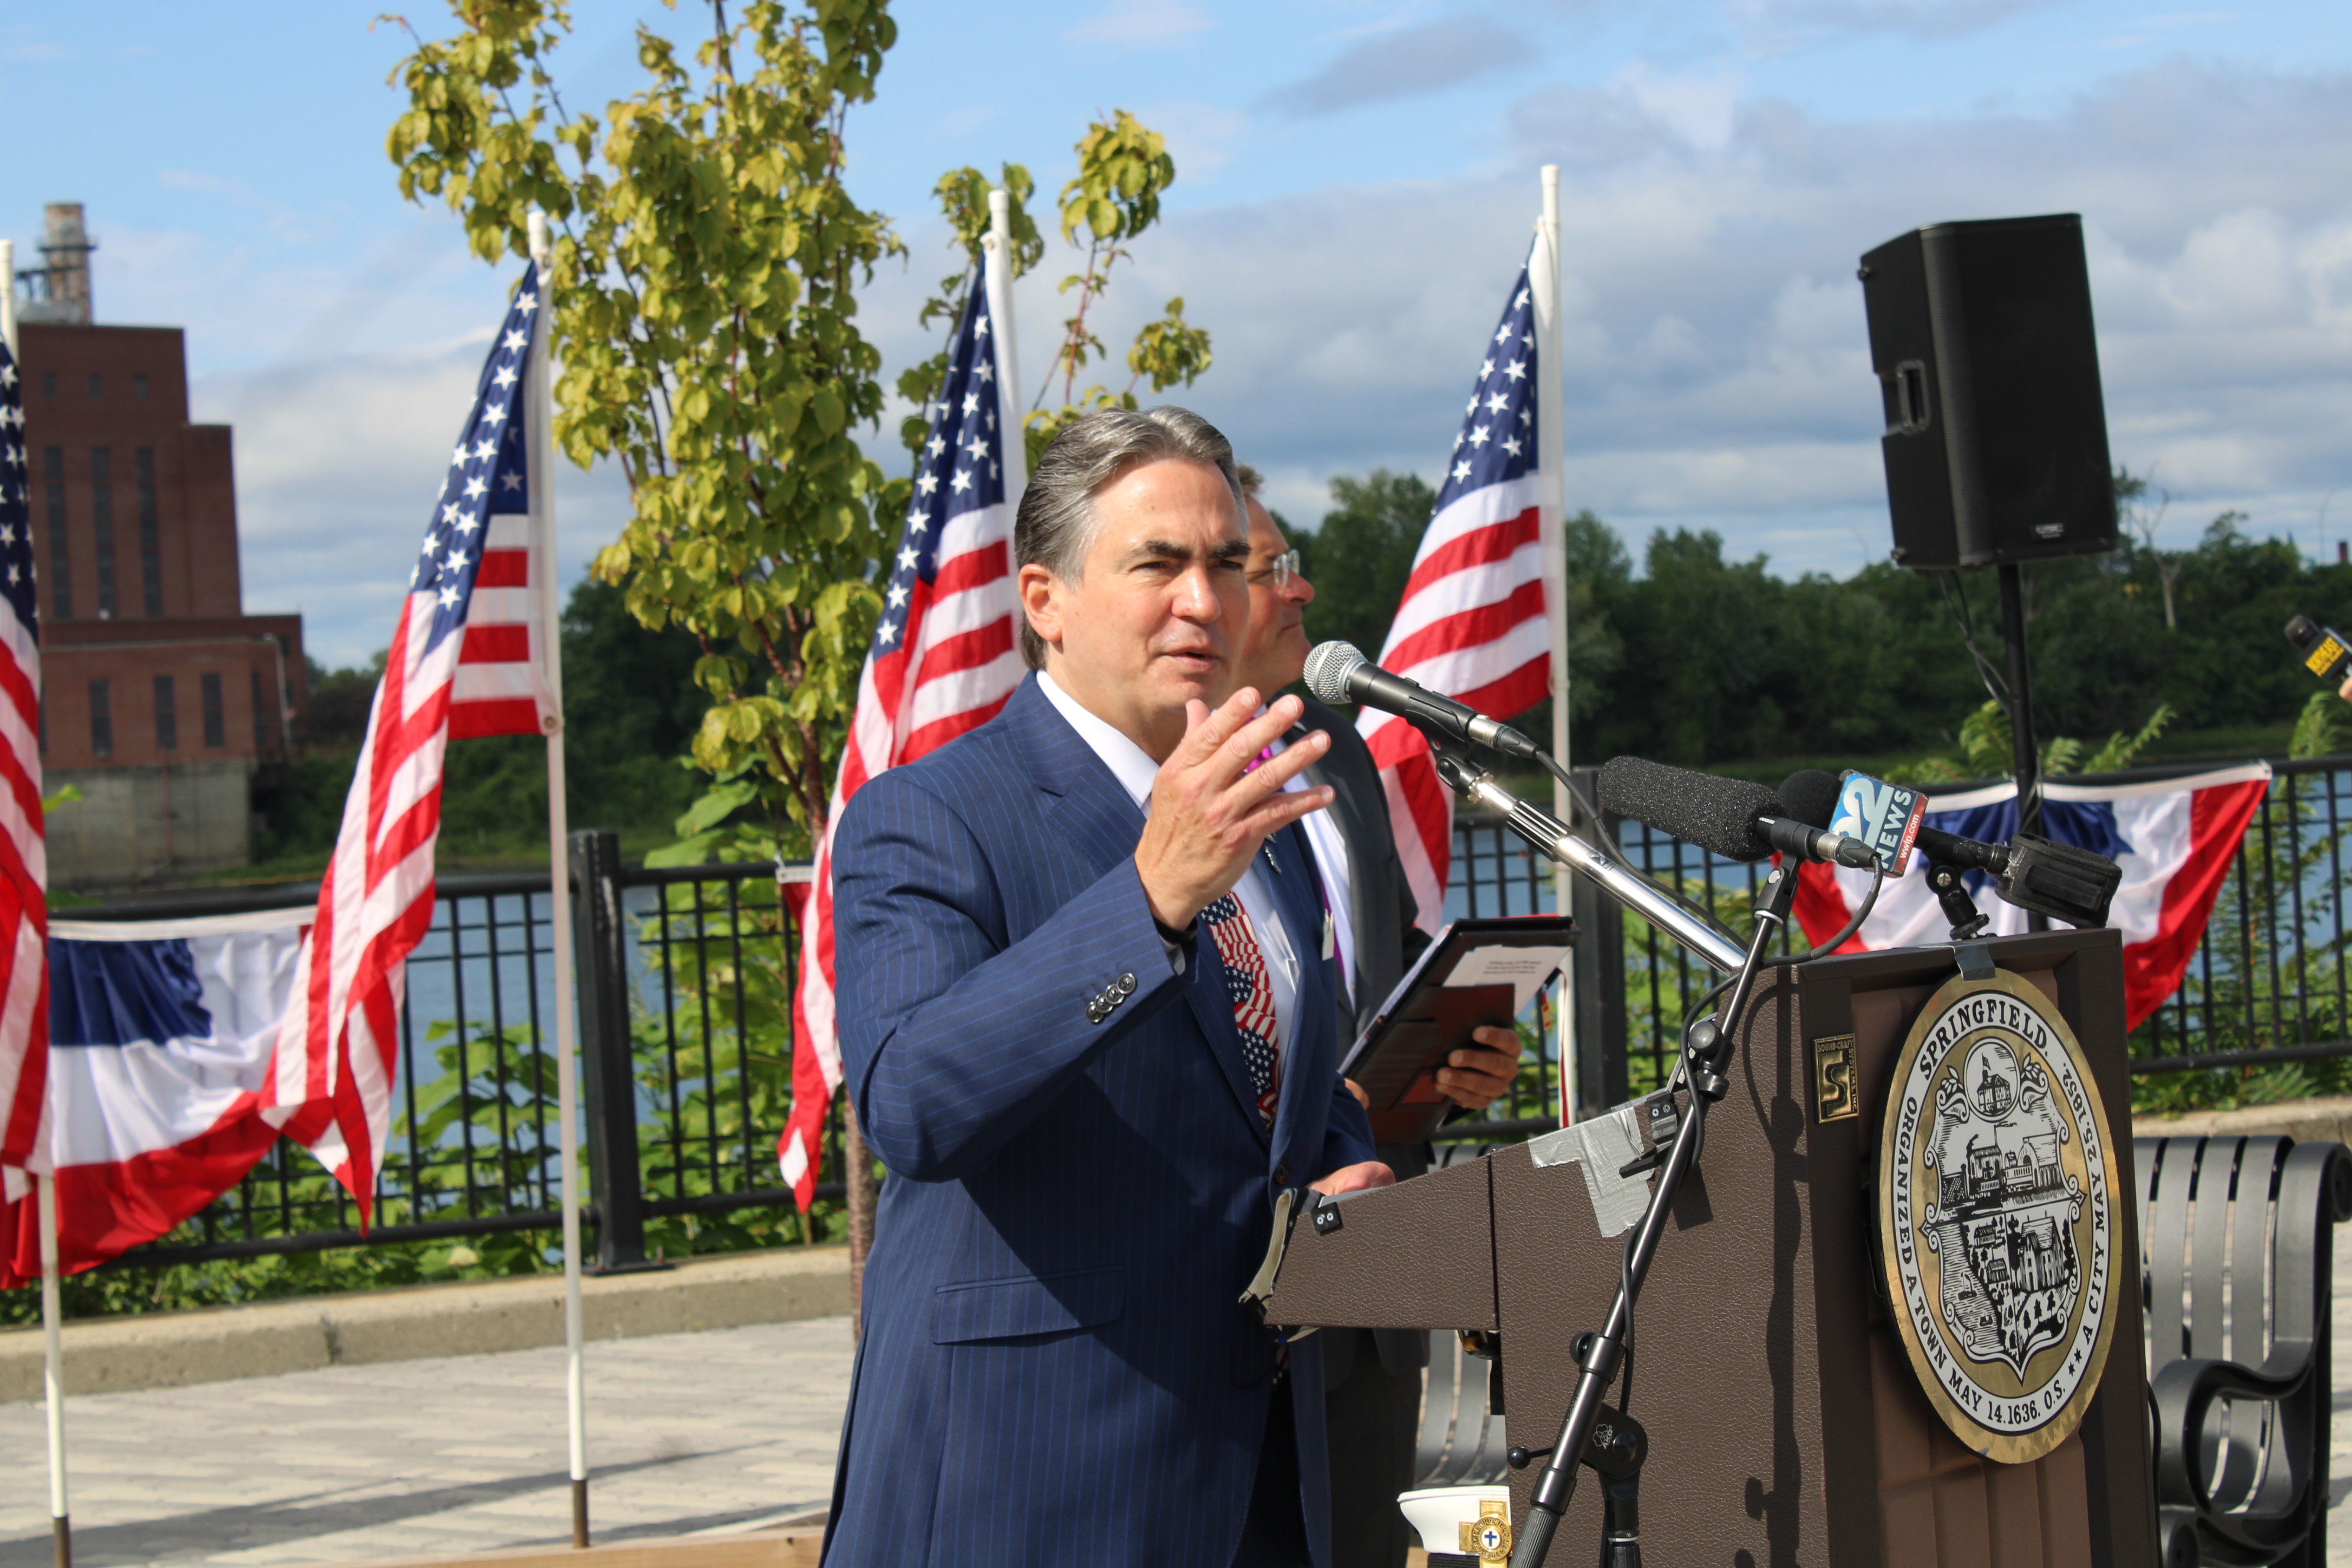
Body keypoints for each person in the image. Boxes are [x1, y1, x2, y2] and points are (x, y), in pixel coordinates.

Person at [824, 408, 1389, 1568]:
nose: (1204, 598)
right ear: (1046, 600)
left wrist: (1344, 1155)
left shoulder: (1258, 815)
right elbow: (914, 1100)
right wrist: (1147, 899)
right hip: (1032, 1473)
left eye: (1228, 563)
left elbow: (1273, 1078)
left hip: (1266, 1472)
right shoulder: (929, 817)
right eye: (1158, 563)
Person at [1229, 466, 1524, 1568]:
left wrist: (1453, 1061)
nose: (1303, 595)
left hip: (1377, 1277)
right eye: (1274, 570)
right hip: (1250, 1291)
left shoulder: (1340, 752)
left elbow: (1388, 963)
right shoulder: (1162, 784)